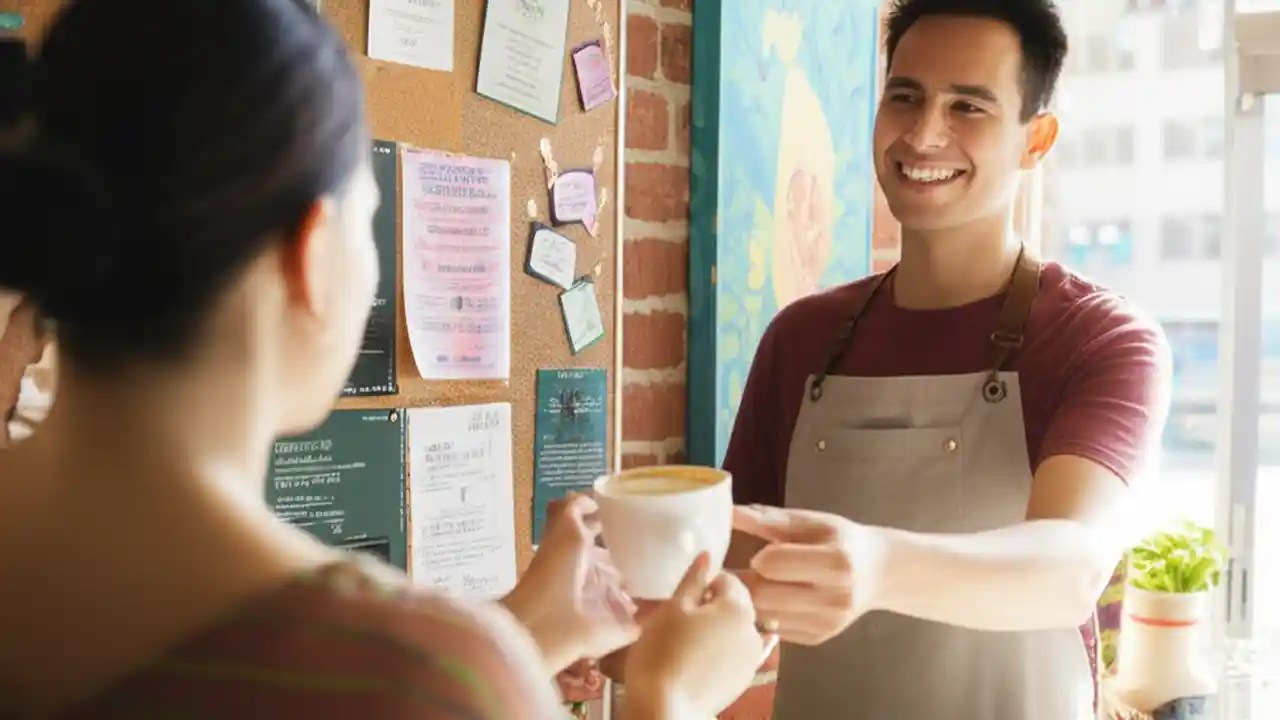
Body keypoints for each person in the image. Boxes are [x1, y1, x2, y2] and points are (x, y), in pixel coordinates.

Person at [0, 1, 769, 717]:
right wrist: (671, 697)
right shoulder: (413, 674)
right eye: (369, 223)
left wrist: (518, 636)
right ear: (308, 253)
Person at [723, 1, 1172, 718]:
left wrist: (876, 569)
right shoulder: (799, 339)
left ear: (1037, 139)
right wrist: (613, 620)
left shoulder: (1102, 339)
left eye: (969, 106)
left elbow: (1069, 568)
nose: (924, 133)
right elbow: (734, 587)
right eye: (905, 97)